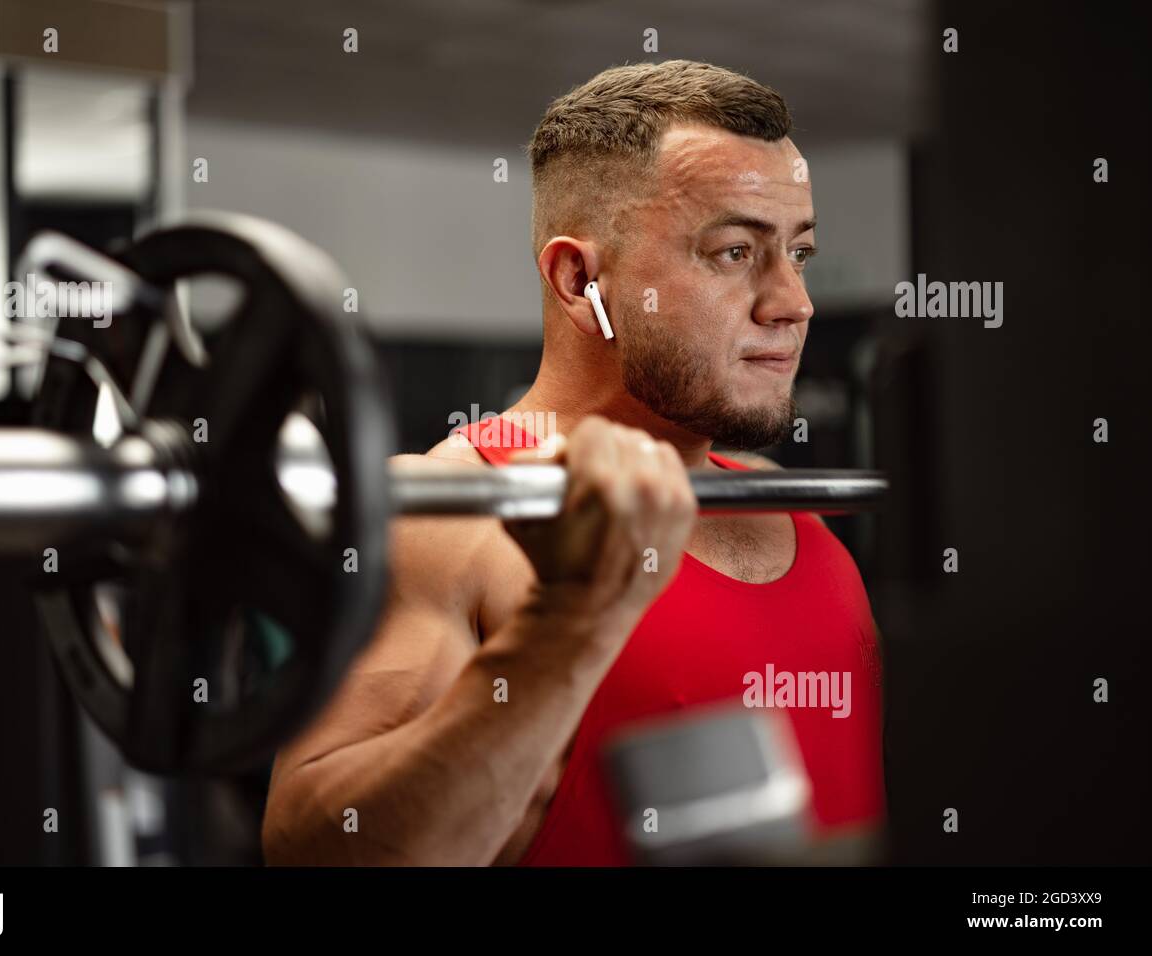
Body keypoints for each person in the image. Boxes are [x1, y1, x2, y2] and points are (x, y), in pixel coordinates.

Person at [262, 59, 885, 865]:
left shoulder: (797, 516)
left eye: (796, 253)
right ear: (579, 277)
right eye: (736, 252)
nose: (792, 302)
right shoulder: (451, 517)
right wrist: (568, 624)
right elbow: (317, 852)